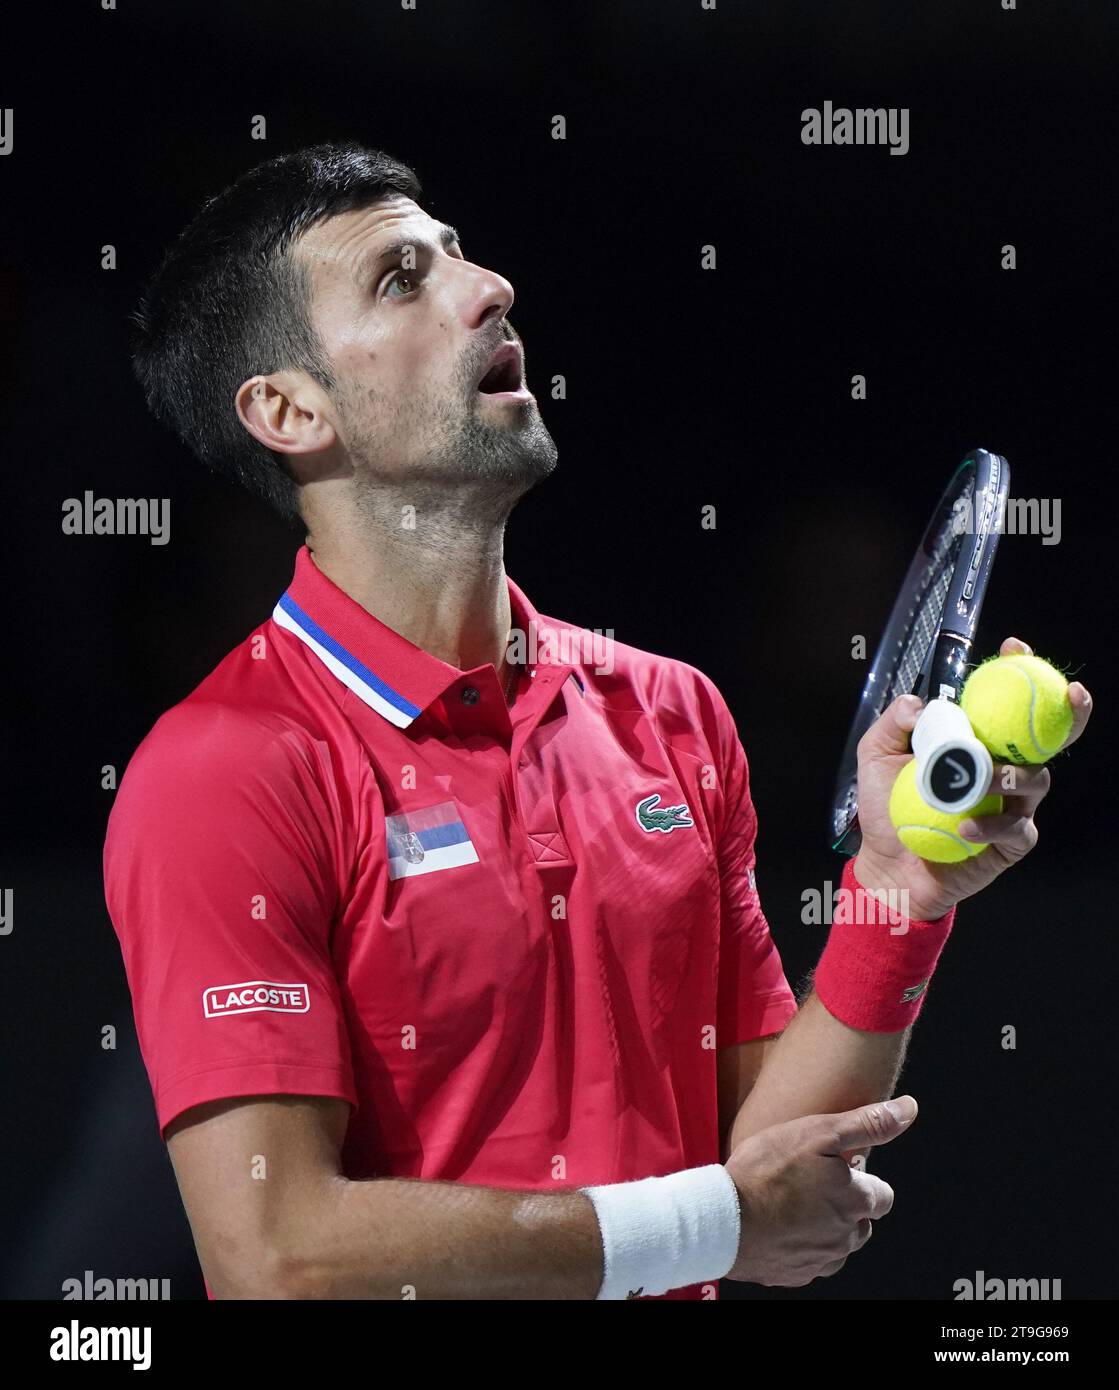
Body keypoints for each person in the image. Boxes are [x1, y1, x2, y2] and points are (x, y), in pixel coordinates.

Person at [104, 142, 1092, 1300]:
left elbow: (759, 1158)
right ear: (287, 407)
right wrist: (707, 1224)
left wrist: (899, 886)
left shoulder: (671, 713)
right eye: (400, 279)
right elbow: (276, 1255)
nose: (487, 288)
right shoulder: (223, 772)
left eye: (461, 255)